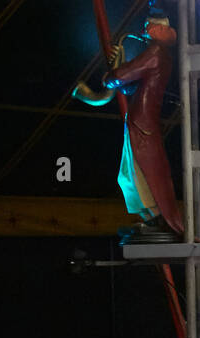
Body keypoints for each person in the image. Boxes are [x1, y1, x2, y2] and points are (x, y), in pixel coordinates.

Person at [73, 11, 185, 236]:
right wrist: (119, 64)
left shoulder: (155, 52)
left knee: (137, 172)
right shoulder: (161, 55)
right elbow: (131, 86)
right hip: (138, 120)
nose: (143, 31)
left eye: (147, 27)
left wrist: (112, 73)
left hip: (141, 122)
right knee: (127, 176)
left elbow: (123, 76)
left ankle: (157, 219)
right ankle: (152, 219)